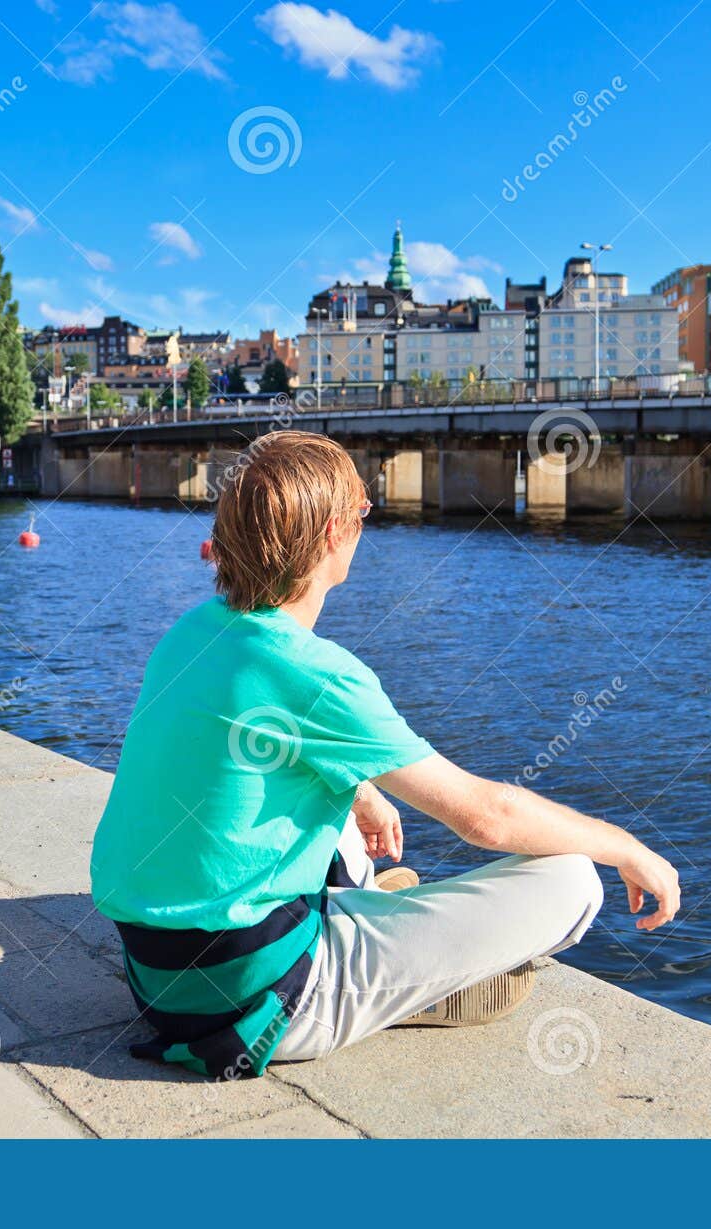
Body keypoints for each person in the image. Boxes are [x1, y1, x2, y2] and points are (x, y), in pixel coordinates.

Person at [90, 431, 680, 1081]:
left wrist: (363, 787)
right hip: (254, 1001)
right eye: (363, 512)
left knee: (334, 794)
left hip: (155, 980)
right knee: (573, 880)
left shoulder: (192, 632)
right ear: (334, 534)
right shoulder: (319, 674)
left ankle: (372, 916)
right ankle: (401, 981)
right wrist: (625, 844)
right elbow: (488, 815)